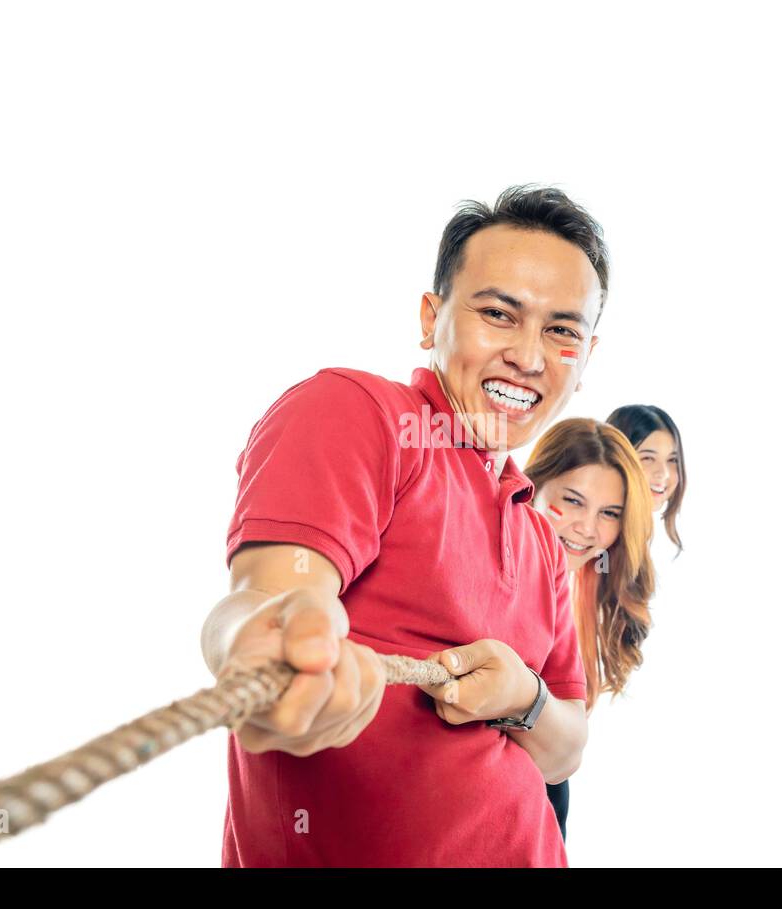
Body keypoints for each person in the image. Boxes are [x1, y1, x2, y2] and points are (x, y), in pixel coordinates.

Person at [199, 185, 610, 866]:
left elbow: (568, 746)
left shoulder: (541, 533)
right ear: (432, 316)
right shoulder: (359, 413)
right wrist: (270, 651)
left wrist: (523, 696)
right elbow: (265, 600)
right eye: (498, 313)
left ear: (587, 355)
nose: (530, 356)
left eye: (562, 330)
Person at [524, 418, 656, 840]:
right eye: (573, 501)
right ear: (532, 488)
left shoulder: (575, 585)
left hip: (540, 811)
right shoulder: (500, 577)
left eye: (609, 514)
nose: (587, 528)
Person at [607, 405, 686, 553]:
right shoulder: (598, 539)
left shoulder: (636, 537)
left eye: (672, 460)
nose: (664, 473)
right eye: (648, 458)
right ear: (616, 459)